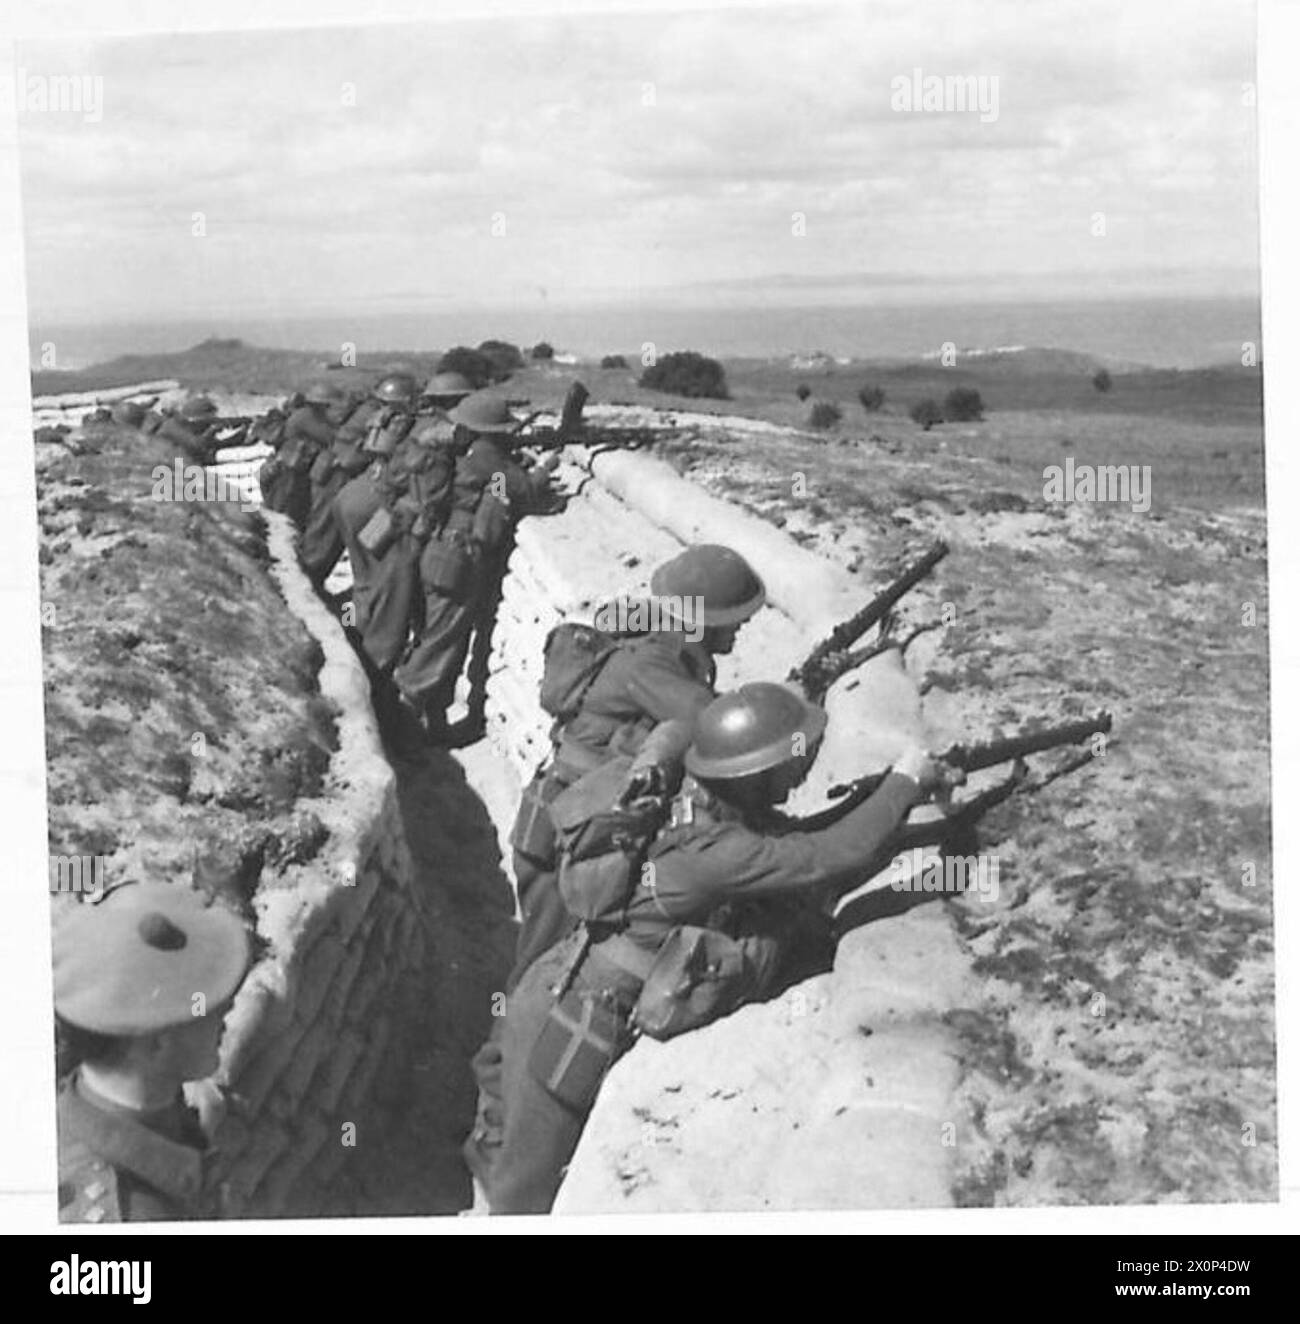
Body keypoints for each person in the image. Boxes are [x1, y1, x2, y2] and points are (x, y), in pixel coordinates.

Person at [485, 681, 943, 1214]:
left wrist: (883, 793)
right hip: (568, 1022)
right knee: (525, 1191)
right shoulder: (715, 853)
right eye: (786, 758)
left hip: (556, 981)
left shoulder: (687, 789)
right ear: (751, 774)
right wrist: (908, 781)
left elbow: (796, 835)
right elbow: (830, 854)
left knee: (511, 1132)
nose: (801, 766)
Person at [53, 880, 253, 1223]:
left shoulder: (132, 1101)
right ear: (157, 1043)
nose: (223, 1015)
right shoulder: (132, 1215)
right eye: (202, 1006)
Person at [391, 390, 559, 740]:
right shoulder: (489, 460)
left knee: (432, 639)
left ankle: (430, 726)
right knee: (439, 646)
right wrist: (545, 468)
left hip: (437, 554)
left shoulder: (464, 455)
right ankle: (399, 726)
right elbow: (524, 490)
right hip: (457, 563)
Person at [334, 372, 474, 707]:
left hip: (358, 500)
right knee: (392, 603)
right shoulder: (437, 432)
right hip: (391, 518)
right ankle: (375, 695)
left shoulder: (405, 424)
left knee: (368, 582)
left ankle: (355, 640)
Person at [300, 372, 418, 587]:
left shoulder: (369, 411)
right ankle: (309, 584)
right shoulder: (380, 416)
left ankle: (314, 583)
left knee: (327, 534)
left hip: (337, 472)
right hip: (339, 474)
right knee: (324, 538)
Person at [258, 384, 350, 528]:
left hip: (294, 476)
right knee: (285, 523)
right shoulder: (306, 417)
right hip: (287, 478)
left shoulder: (308, 415)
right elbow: (331, 437)